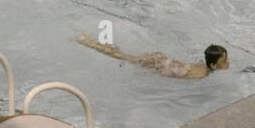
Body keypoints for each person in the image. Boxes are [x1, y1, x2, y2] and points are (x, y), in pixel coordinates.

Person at [76, 34, 230, 79]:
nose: (228, 63)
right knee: (122, 56)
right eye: (225, 61)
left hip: (162, 60)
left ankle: (90, 41)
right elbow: (178, 73)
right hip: (160, 63)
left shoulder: (203, 66)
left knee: (124, 55)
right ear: (213, 66)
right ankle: (88, 42)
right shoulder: (201, 75)